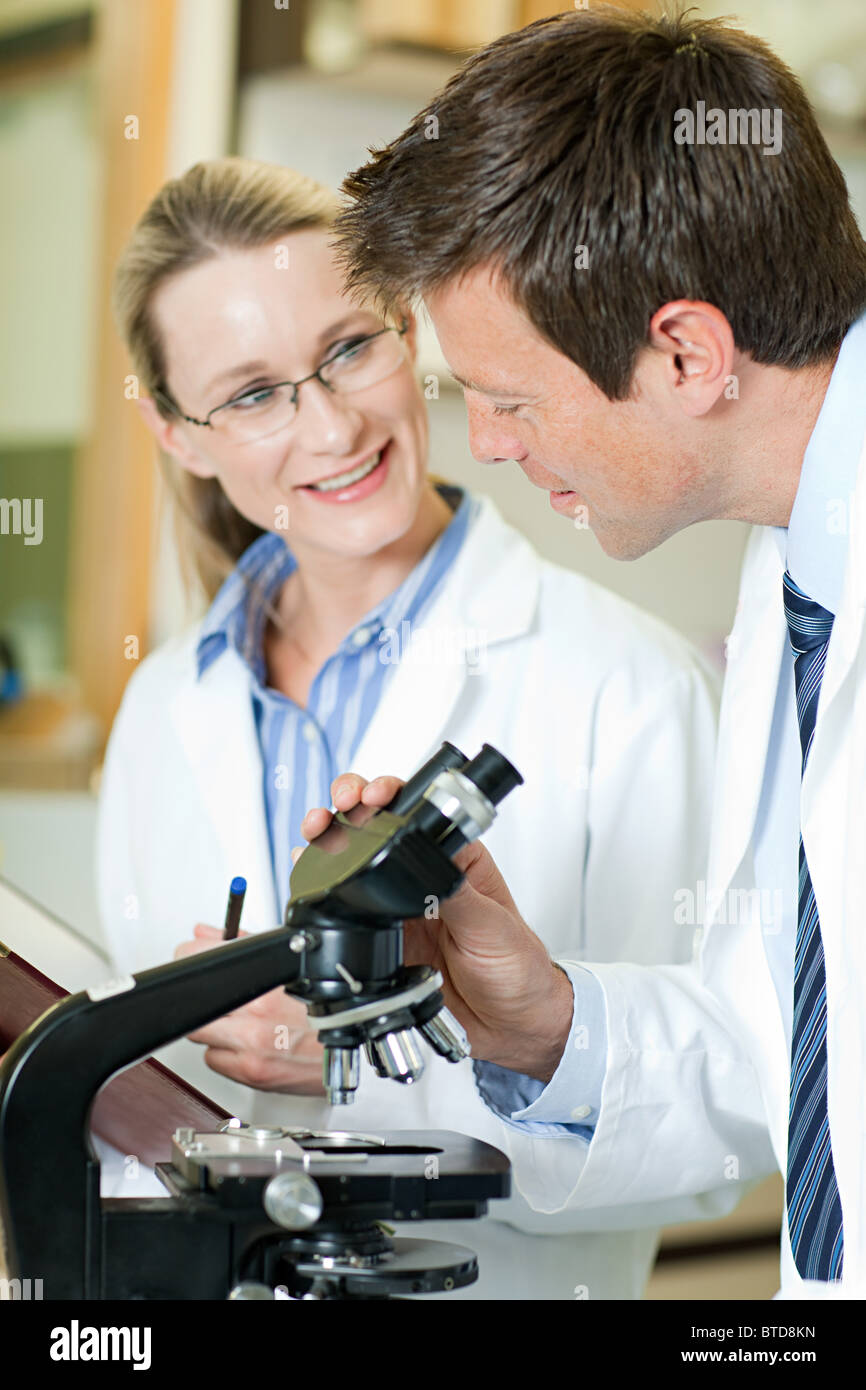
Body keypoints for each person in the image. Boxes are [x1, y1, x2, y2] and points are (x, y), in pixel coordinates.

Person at [97, 156, 732, 1300]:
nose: (333, 426)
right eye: (250, 394)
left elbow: (725, 1128)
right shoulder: (164, 706)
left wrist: (354, 1074)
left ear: (405, 328)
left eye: (349, 347)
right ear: (177, 432)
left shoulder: (627, 684)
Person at [319, 7, 866, 1297]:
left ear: (684, 353)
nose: (492, 445)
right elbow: (784, 1055)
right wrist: (538, 1016)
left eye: (510, 401)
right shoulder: (794, 568)